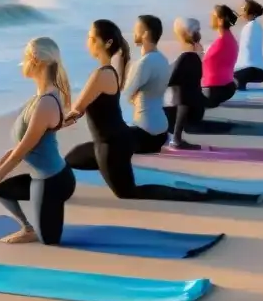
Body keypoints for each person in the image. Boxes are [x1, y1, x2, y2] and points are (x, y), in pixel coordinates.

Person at [64, 17, 209, 201]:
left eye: (91, 38)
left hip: (123, 141)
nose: (88, 43)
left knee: (127, 192)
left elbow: (80, 109)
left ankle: (198, 194)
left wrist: (46, 127)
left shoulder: (113, 71)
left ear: (107, 43)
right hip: (134, 135)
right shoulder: (158, 60)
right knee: (70, 159)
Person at [0, 37, 76, 244]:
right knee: (0, 186)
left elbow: (23, 149)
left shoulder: (46, 102)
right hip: (42, 177)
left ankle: (41, 221)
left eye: (25, 57)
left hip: (53, 181)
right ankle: (29, 227)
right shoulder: (38, 98)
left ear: (36, 61)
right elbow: (19, 146)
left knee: (49, 241)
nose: (23, 62)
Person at [164, 17, 206, 150]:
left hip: (184, 108)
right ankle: (175, 138)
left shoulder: (186, 57)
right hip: (195, 107)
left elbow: (170, 80)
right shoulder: (196, 57)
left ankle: (175, 139)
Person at [201, 4, 240, 108]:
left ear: (220, 20)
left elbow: (204, 63)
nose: (210, 18)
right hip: (228, 87)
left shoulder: (221, 42)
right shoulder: (231, 40)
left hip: (214, 90)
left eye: (213, 16)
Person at [234, 0, 263, 90]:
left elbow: (246, 49)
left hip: (249, 69)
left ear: (251, 13)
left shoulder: (248, 27)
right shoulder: (258, 27)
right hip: (262, 71)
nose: (241, 12)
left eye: (243, 10)